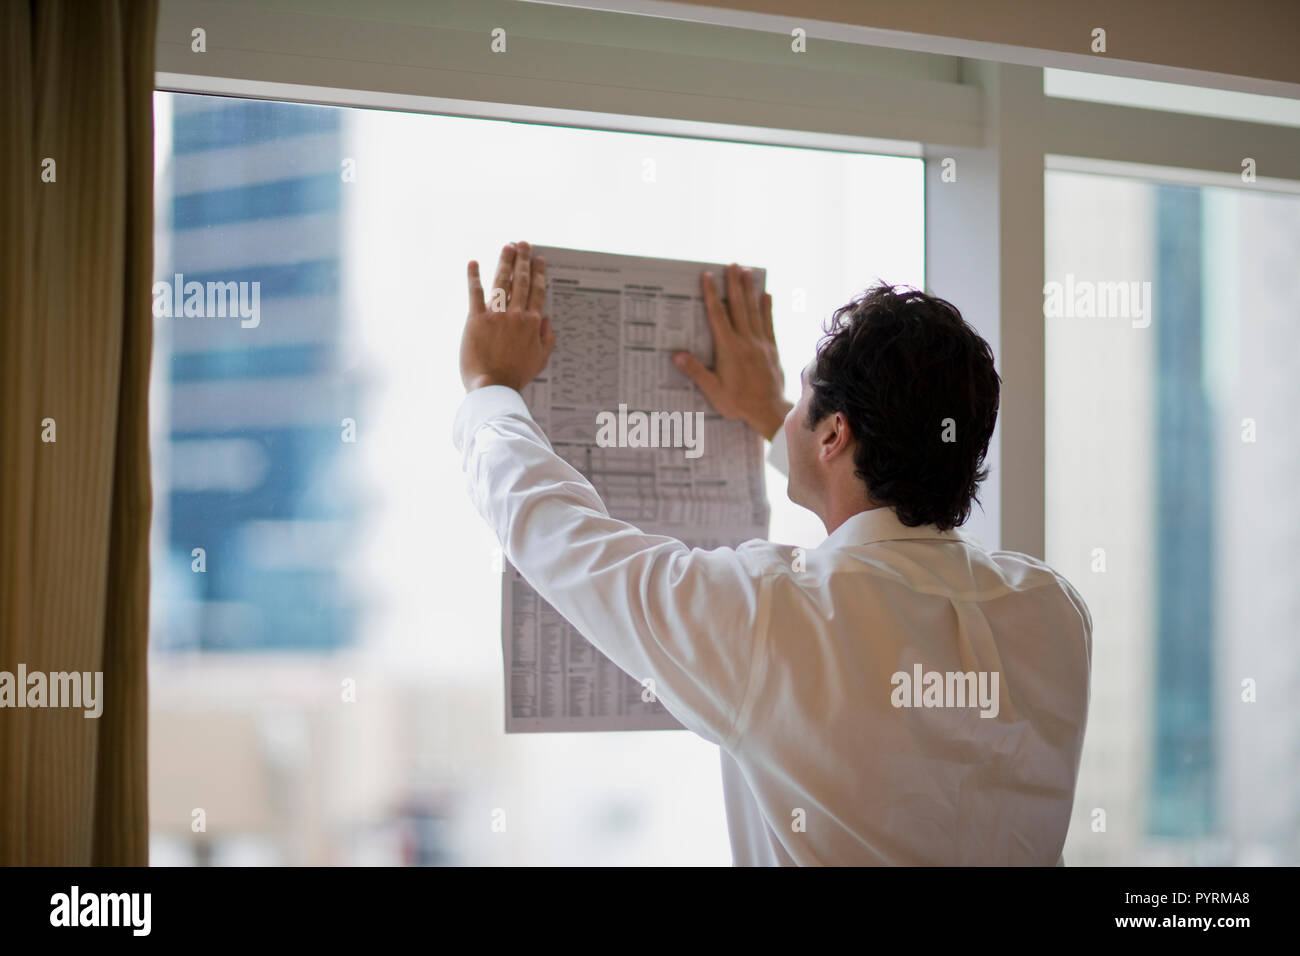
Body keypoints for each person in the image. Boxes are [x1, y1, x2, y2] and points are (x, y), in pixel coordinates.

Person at [454, 240, 1092, 865]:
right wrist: (771, 412)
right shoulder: (1053, 610)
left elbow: (561, 536)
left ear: (835, 434)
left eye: (803, 396)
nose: (791, 412)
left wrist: (489, 387)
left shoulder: (773, 614)